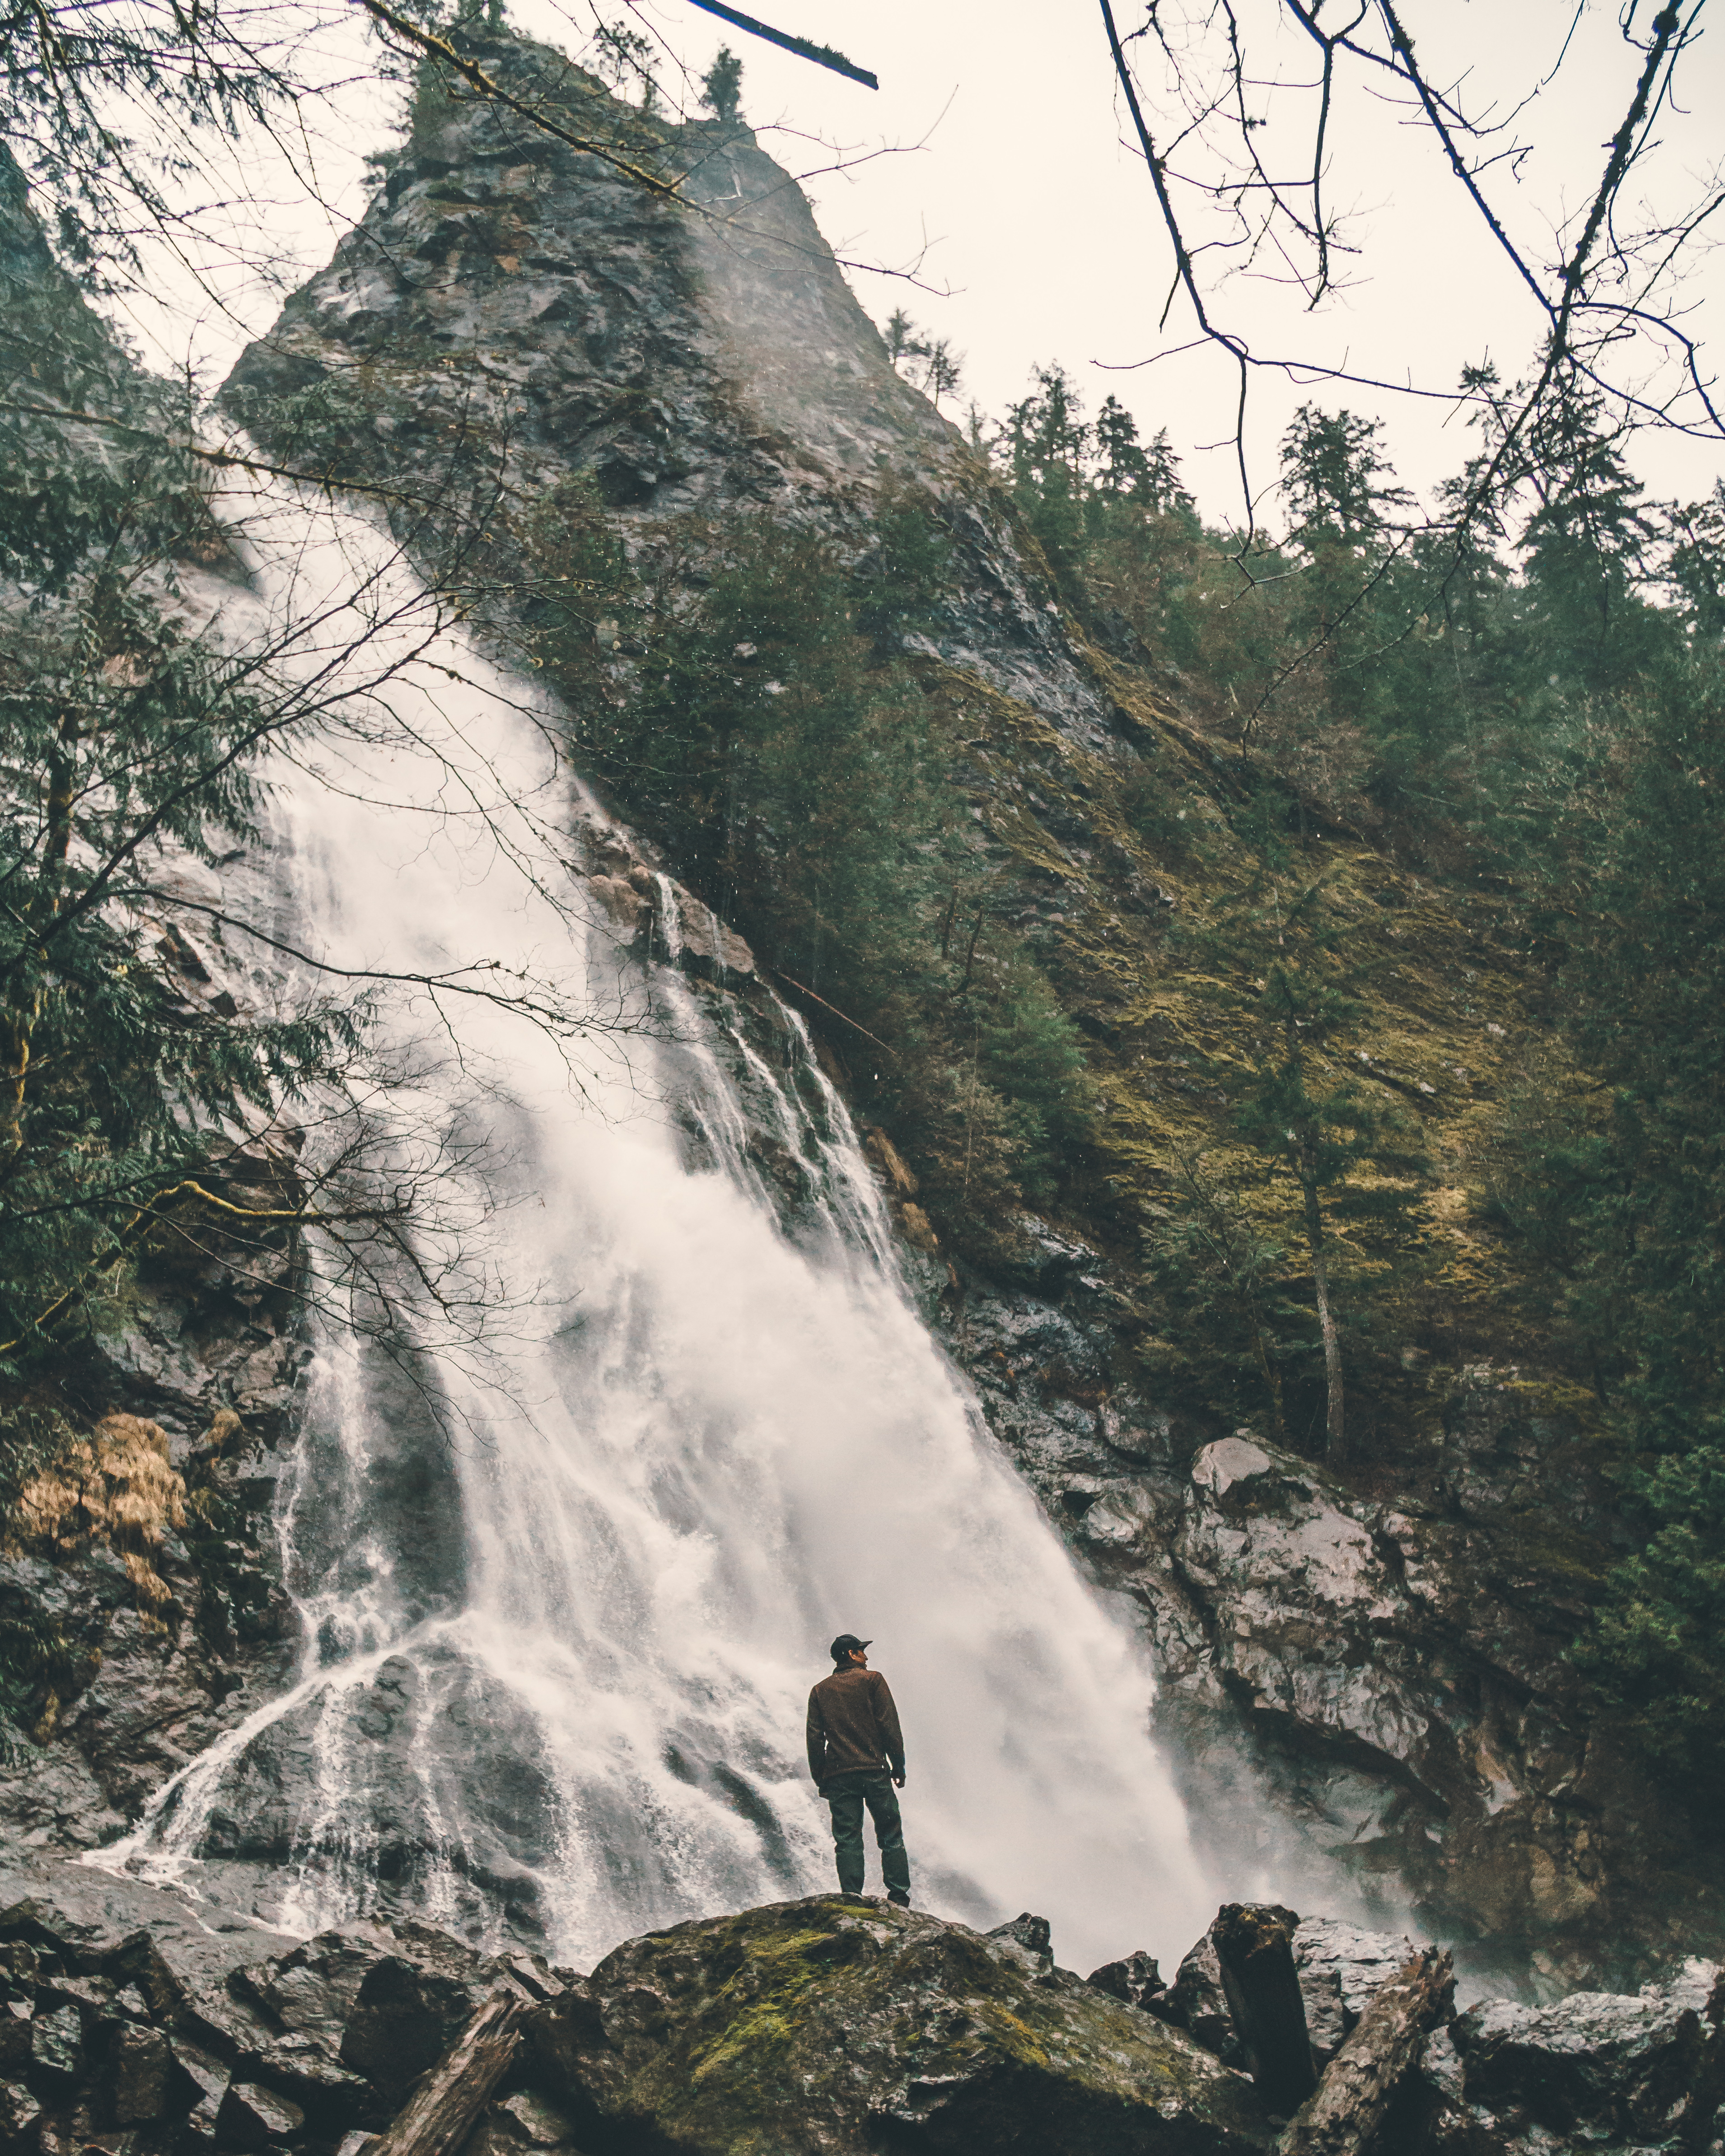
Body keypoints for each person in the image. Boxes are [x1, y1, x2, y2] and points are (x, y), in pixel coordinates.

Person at [805, 1633, 912, 1907]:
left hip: (839, 1776)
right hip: (874, 1770)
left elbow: (815, 1738)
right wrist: (898, 1765)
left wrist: (821, 1777)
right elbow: (889, 1726)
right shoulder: (872, 1680)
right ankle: (898, 1897)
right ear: (852, 1655)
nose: (866, 1656)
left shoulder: (820, 1691)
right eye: (862, 1651)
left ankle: (852, 1897)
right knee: (890, 1834)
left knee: (847, 1839)